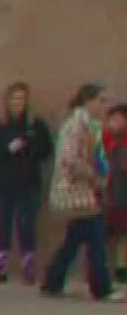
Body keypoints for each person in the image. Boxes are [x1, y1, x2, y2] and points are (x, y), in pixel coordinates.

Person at [42, 83, 123, 302]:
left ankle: (53, 281)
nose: (103, 105)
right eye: (101, 100)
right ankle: (102, 287)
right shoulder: (76, 125)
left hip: (84, 190)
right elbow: (70, 158)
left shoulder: (91, 125)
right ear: (88, 100)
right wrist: (94, 177)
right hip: (75, 190)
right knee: (95, 236)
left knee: (76, 238)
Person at [0, 82, 55, 284]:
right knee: (3, 224)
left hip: (28, 183)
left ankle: (28, 268)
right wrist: (6, 150)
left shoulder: (35, 125)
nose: (17, 103)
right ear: (7, 102)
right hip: (2, 184)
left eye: (21, 99)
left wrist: (28, 148)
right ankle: (0, 268)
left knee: (26, 224)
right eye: (14, 99)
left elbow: (46, 151)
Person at [105, 105, 127, 282]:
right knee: (109, 233)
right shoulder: (105, 140)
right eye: (110, 119)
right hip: (108, 195)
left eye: (116, 119)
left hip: (121, 194)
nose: (112, 123)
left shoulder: (123, 143)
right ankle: (105, 267)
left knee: (122, 233)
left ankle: (121, 267)